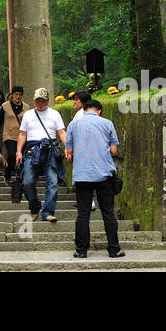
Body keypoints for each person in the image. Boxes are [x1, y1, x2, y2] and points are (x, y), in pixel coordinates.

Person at [66, 93, 124, 258]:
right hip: (103, 174)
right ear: (99, 111)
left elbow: (69, 151)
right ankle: (114, 249)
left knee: (83, 213)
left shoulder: (73, 124)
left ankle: (81, 250)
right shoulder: (107, 123)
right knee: (108, 212)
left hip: (82, 175)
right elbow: (113, 150)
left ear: (84, 110)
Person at [16, 87, 66, 223]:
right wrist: (19, 152)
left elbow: (61, 132)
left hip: (50, 149)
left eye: (43, 101)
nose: (40, 103)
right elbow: (22, 134)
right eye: (38, 100)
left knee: (53, 183)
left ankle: (48, 212)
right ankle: (34, 206)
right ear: (34, 100)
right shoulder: (28, 114)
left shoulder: (55, 114)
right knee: (27, 182)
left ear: (48, 101)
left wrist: (68, 147)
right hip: (32, 150)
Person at [0, 85, 29, 196]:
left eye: (20, 94)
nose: (18, 96)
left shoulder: (27, 108)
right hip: (8, 134)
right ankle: (8, 174)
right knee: (10, 155)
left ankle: (19, 177)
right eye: (16, 94)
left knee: (21, 157)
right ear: (12, 95)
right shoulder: (5, 106)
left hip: (22, 135)